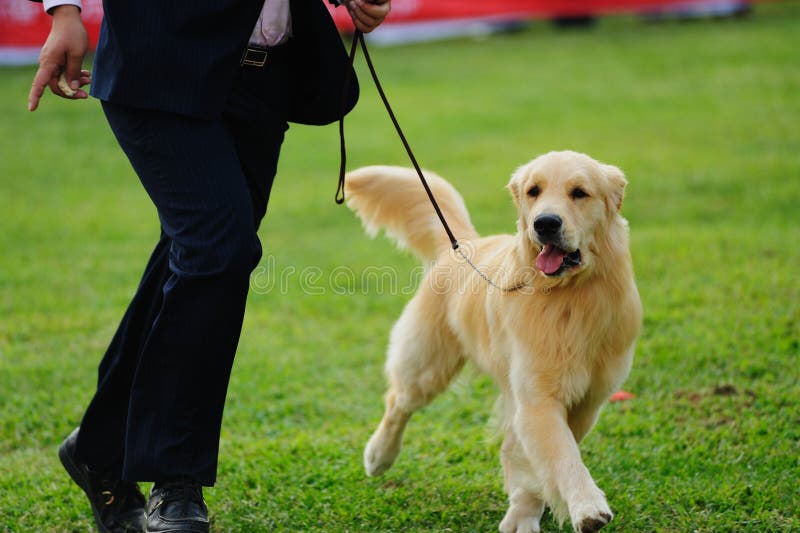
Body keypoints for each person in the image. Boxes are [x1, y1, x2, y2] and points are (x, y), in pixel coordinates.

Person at [28, 0, 391, 532]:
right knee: (218, 250)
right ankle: (174, 477)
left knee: (201, 254)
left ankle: (101, 446)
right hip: (160, 58)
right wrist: (64, 11)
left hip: (265, 75)